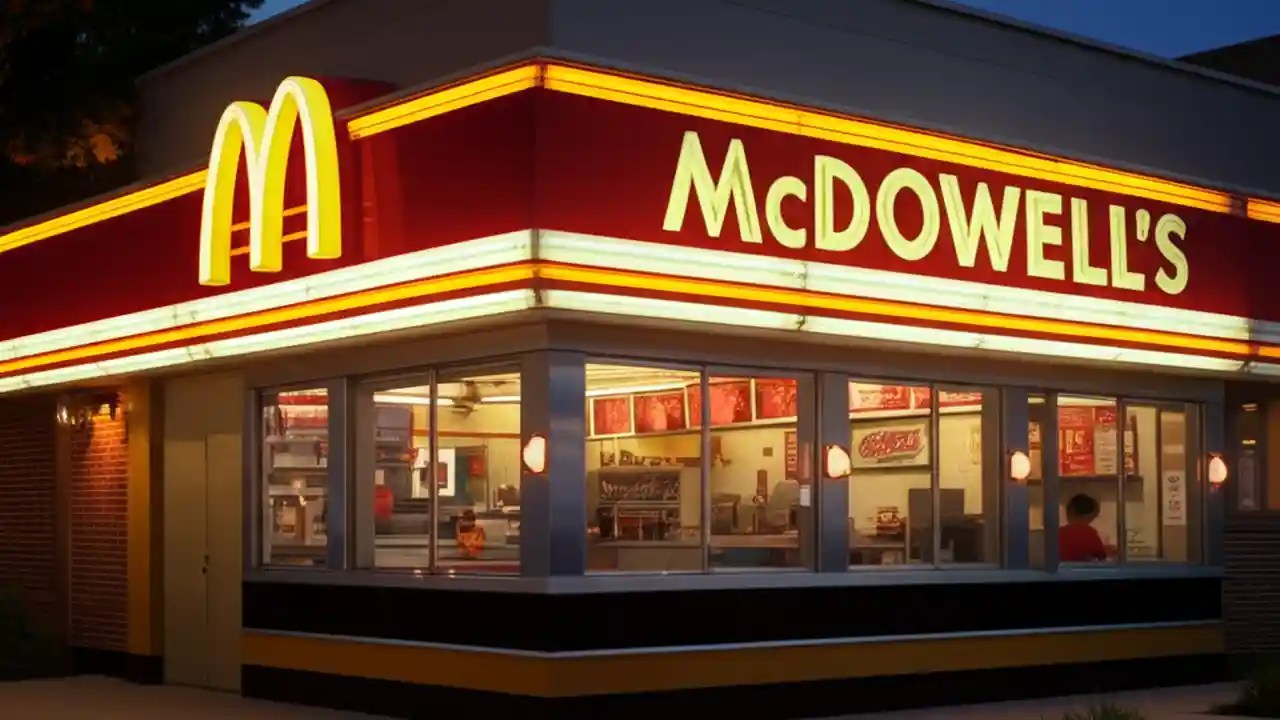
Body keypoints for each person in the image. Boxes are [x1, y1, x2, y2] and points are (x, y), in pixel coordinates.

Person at [1058, 493, 1110, 562]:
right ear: (1091, 515)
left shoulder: (1058, 532)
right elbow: (1101, 557)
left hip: (1061, 571)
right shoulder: (1090, 533)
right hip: (1081, 572)